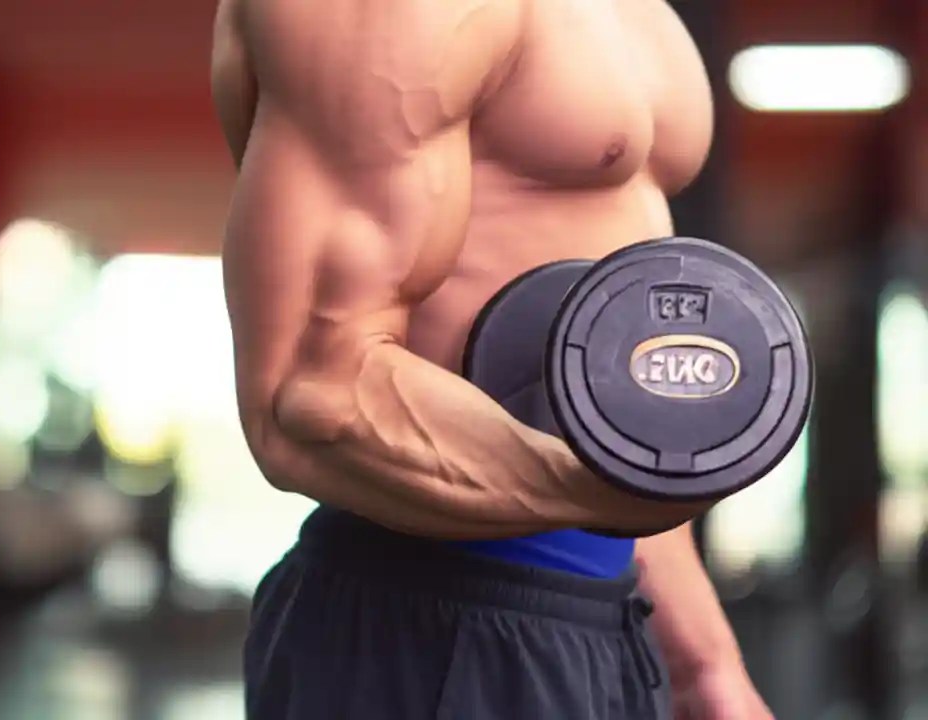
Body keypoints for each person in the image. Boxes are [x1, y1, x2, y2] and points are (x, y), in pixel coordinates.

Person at [211, 0, 774, 717]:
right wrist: (620, 486)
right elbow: (309, 397)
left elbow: (605, 396)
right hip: (425, 625)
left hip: (604, 620)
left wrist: (704, 666)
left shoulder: (640, 13)